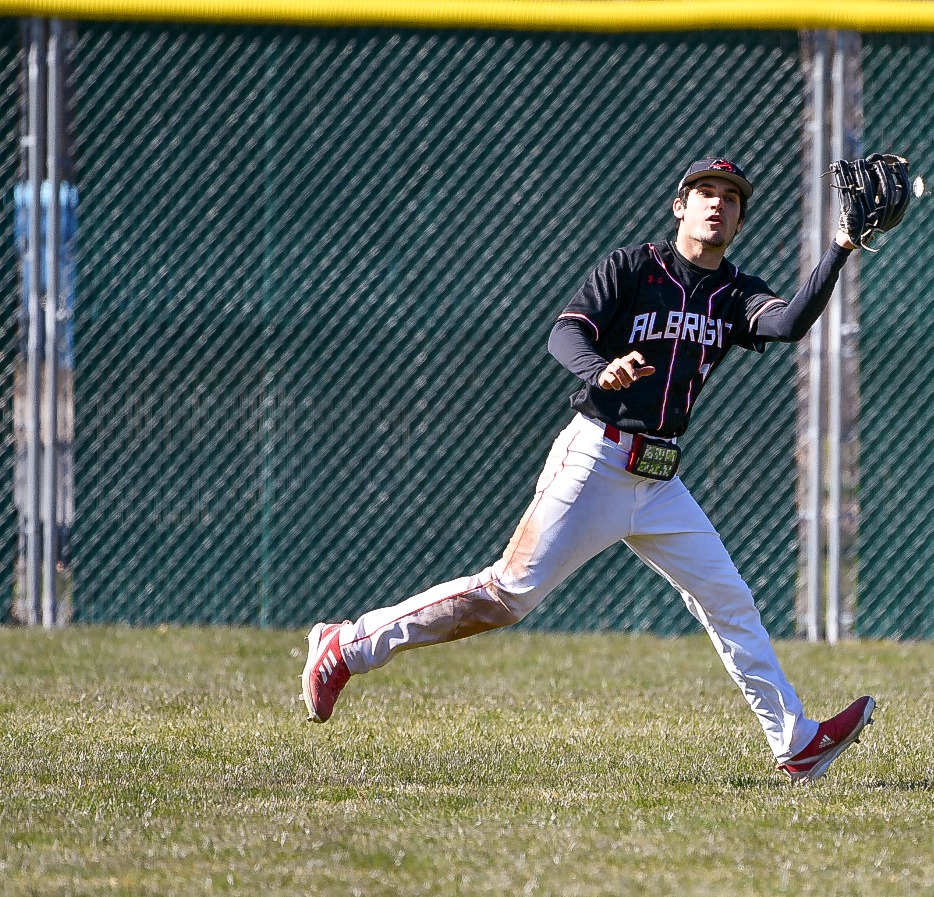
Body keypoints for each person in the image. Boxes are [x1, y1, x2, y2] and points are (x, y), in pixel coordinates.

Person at [302, 157, 888, 783]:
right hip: (596, 458)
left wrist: (840, 245)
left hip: (659, 480)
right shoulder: (633, 268)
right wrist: (599, 369)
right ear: (679, 207)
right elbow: (565, 333)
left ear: (740, 220)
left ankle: (795, 741)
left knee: (729, 602)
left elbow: (789, 322)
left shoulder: (734, 293)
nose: (717, 203)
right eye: (704, 192)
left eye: (731, 197)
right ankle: (348, 645)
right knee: (507, 596)